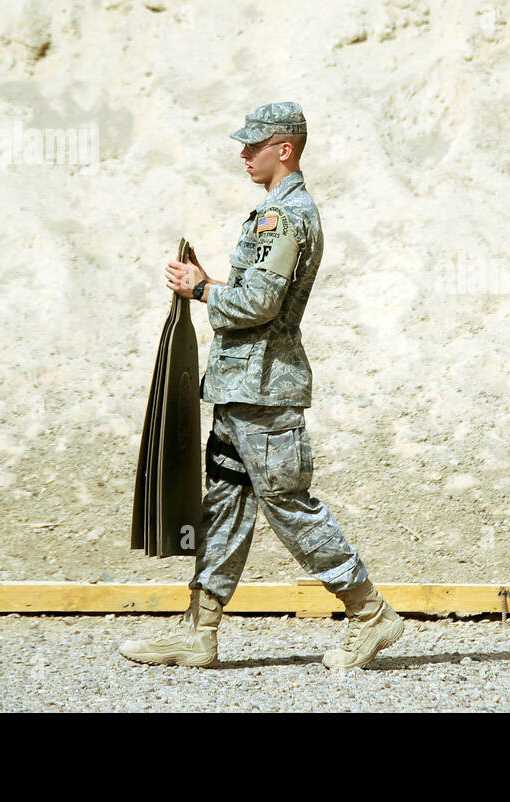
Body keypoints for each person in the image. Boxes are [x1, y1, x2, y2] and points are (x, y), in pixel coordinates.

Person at [119, 101, 403, 671]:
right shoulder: (276, 212)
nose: (243, 153)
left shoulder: (285, 217)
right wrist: (211, 284)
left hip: (265, 394)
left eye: (253, 145)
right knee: (223, 504)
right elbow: (256, 296)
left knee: (289, 506)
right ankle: (199, 632)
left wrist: (202, 291)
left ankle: (370, 612)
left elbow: (257, 303)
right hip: (244, 388)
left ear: (285, 149)